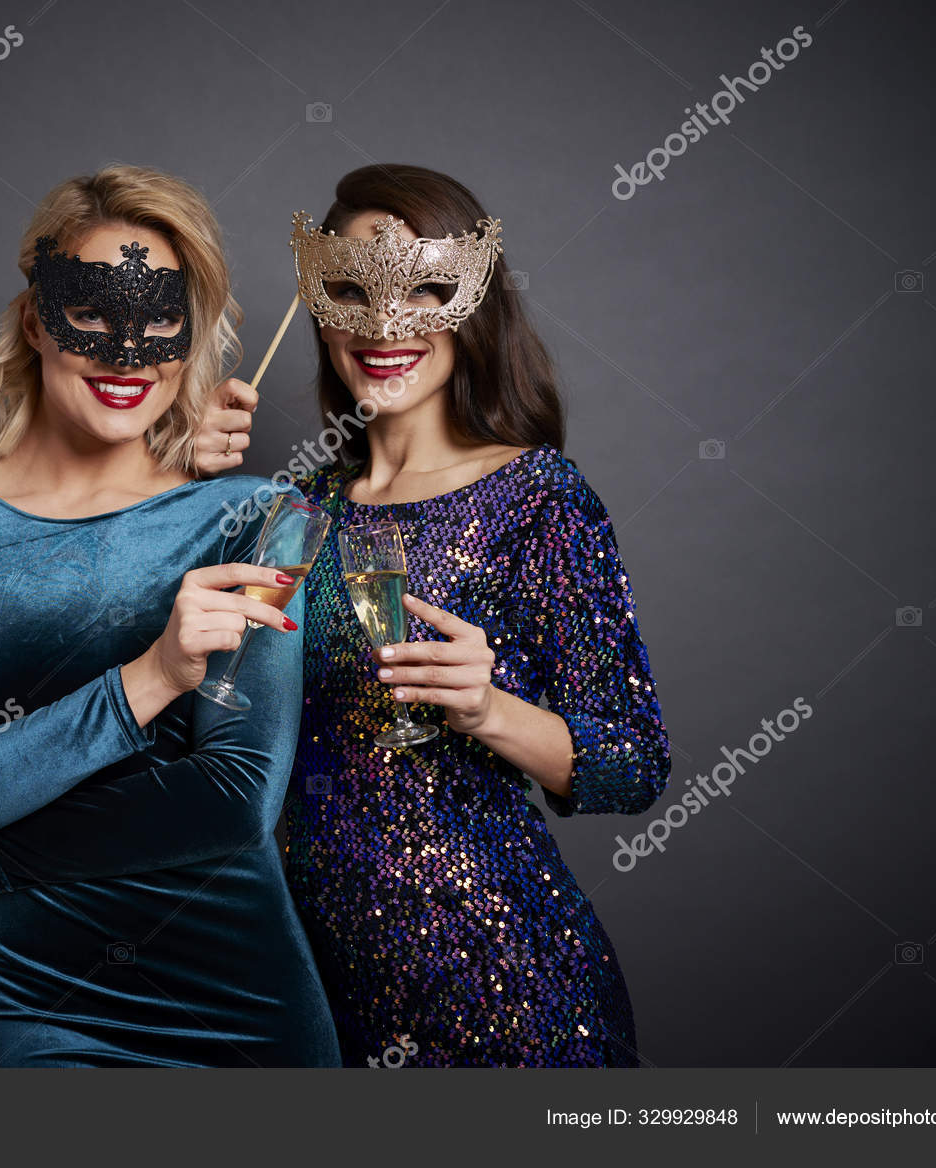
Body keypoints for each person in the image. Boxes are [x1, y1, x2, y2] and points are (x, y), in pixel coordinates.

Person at [0, 165, 339, 1067]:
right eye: (93, 314)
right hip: (46, 1008)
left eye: (161, 324)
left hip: (244, 1005)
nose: (129, 355)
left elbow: (234, 800)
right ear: (38, 317)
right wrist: (154, 676)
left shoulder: (256, 519)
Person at [194, 164, 672, 1067]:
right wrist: (181, 473)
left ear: (472, 303)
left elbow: (635, 765)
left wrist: (488, 711)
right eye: (353, 293)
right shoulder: (296, 509)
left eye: (423, 289)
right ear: (318, 304)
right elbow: (206, 709)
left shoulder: (538, 497)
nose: (385, 325)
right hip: (327, 996)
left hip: (509, 985)